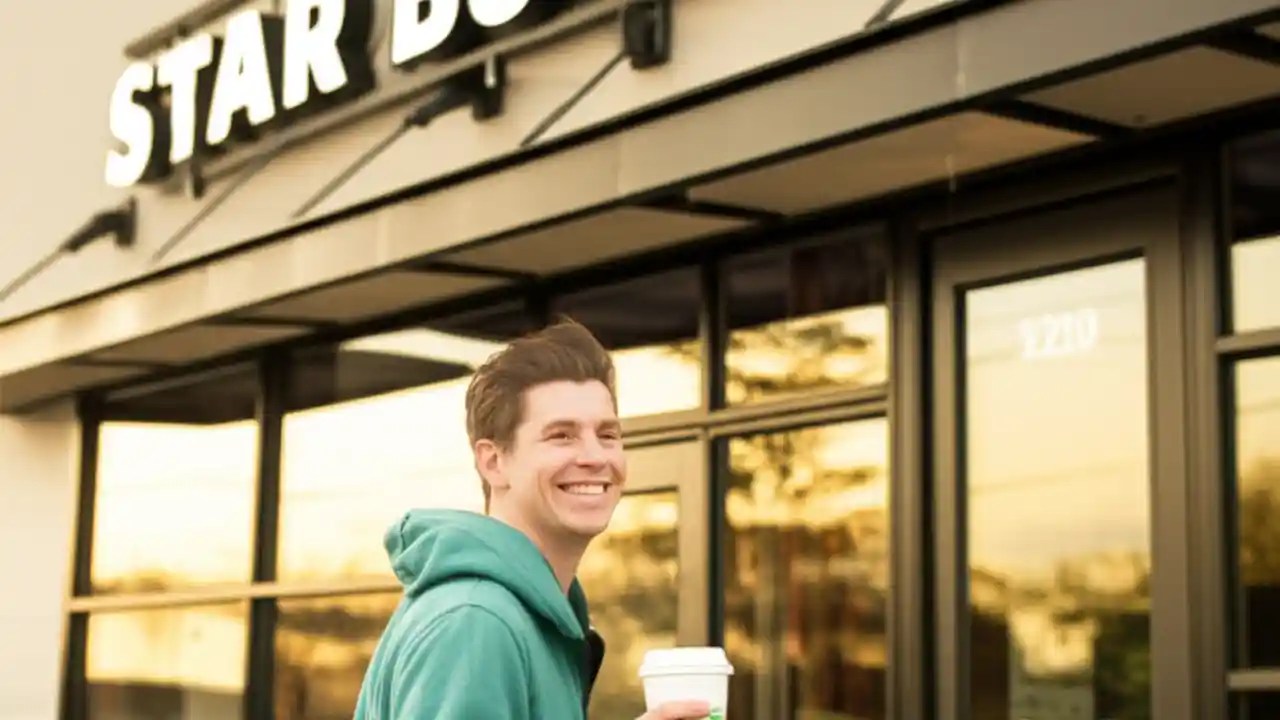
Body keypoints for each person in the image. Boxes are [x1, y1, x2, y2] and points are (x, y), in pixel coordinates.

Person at [354, 319, 711, 720]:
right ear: (493, 462)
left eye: (608, 435)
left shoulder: (527, 617)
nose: (595, 456)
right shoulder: (477, 623)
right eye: (562, 435)